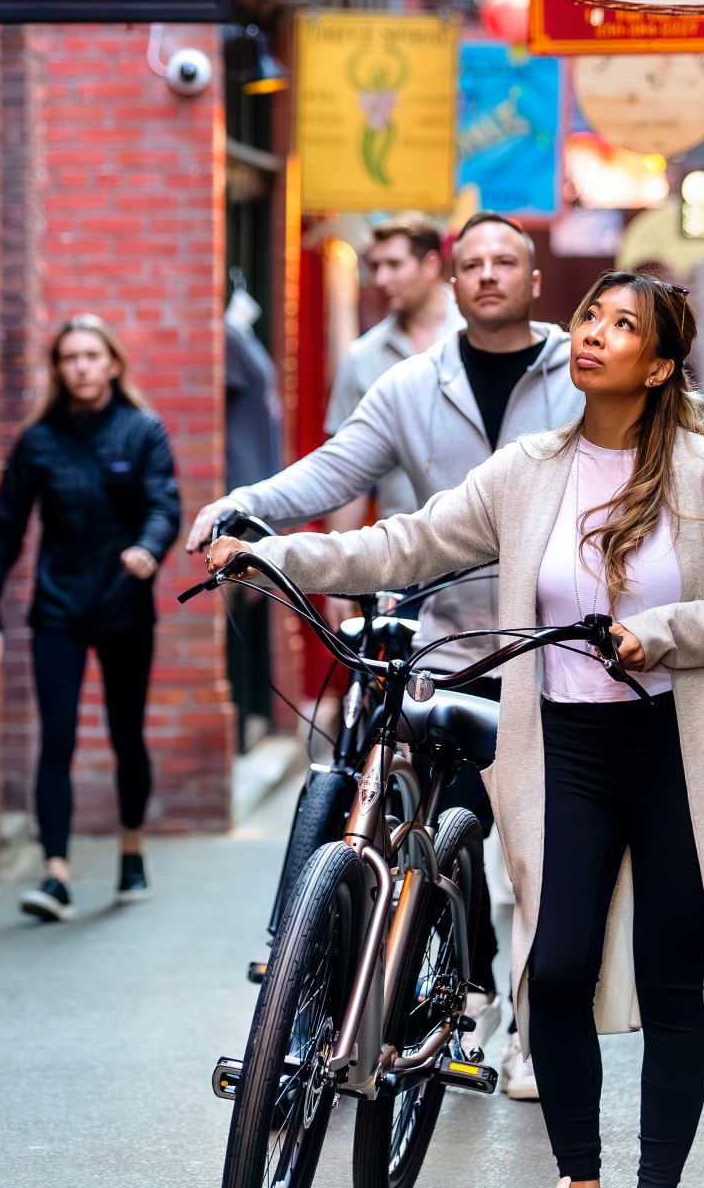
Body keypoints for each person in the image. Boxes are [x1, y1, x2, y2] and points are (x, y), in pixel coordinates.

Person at [206, 271, 704, 1188]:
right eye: (591, 315)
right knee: (553, 970)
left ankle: (656, 1181)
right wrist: (276, 554)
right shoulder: (528, 471)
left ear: (660, 367)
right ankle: (581, 1174)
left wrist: (666, 633)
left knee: (670, 978)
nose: (592, 332)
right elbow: (405, 543)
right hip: (563, 748)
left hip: (674, 752)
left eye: (622, 325)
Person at [188, 210, 582, 1097]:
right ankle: (457, 978)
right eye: (471, 263)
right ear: (453, 284)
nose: (487, 275)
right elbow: (333, 470)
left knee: (539, 848)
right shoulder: (408, 385)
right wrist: (243, 505)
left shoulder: (581, 375)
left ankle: (532, 1033)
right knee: (445, 823)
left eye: (505, 262)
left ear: (532, 281)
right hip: (444, 630)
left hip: (553, 638)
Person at [0, 314, 182, 923]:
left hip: (123, 604)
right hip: (58, 608)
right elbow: (3, 532)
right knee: (56, 738)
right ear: (58, 369)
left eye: (93, 355)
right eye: (70, 357)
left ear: (113, 363)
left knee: (126, 736)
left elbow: (164, 501)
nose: (82, 366)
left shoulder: (143, 431)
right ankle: (56, 874)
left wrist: (148, 547)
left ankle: (132, 847)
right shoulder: (37, 442)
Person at [322, 212, 464, 535]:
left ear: (430, 265)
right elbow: (346, 473)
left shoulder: (477, 336)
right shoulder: (362, 357)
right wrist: (336, 575)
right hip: (401, 558)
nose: (381, 279)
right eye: (374, 266)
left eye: (394, 265)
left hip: (478, 555)